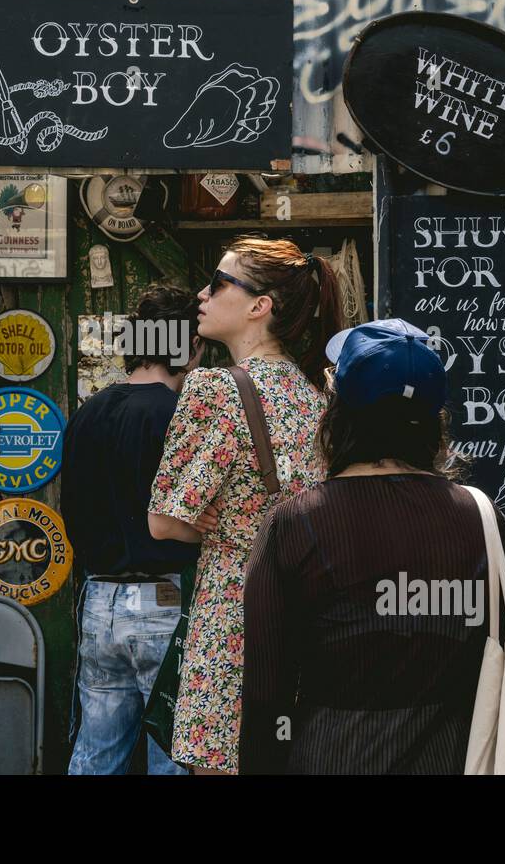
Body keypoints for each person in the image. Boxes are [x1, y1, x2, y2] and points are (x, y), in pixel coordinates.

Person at [239, 319, 505, 774]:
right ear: (434, 420)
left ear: (339, 415)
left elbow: (264, 694)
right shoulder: (483, 519)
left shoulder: (294, 523)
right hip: (456, 760)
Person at [147, 237, 342, 774]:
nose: (202, 295)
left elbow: (163, 522)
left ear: (261, 306)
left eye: (218, 282)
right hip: (309, 615)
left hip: (232, 614)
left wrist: (209, 525)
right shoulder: (320, 396)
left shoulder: (214, 389)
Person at [62, 285, 204, 775]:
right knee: (174, 754)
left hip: (99, 602)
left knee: (97, 752)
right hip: (163, 602)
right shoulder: (179, 415)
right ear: (190, 347)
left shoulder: (87, 414)